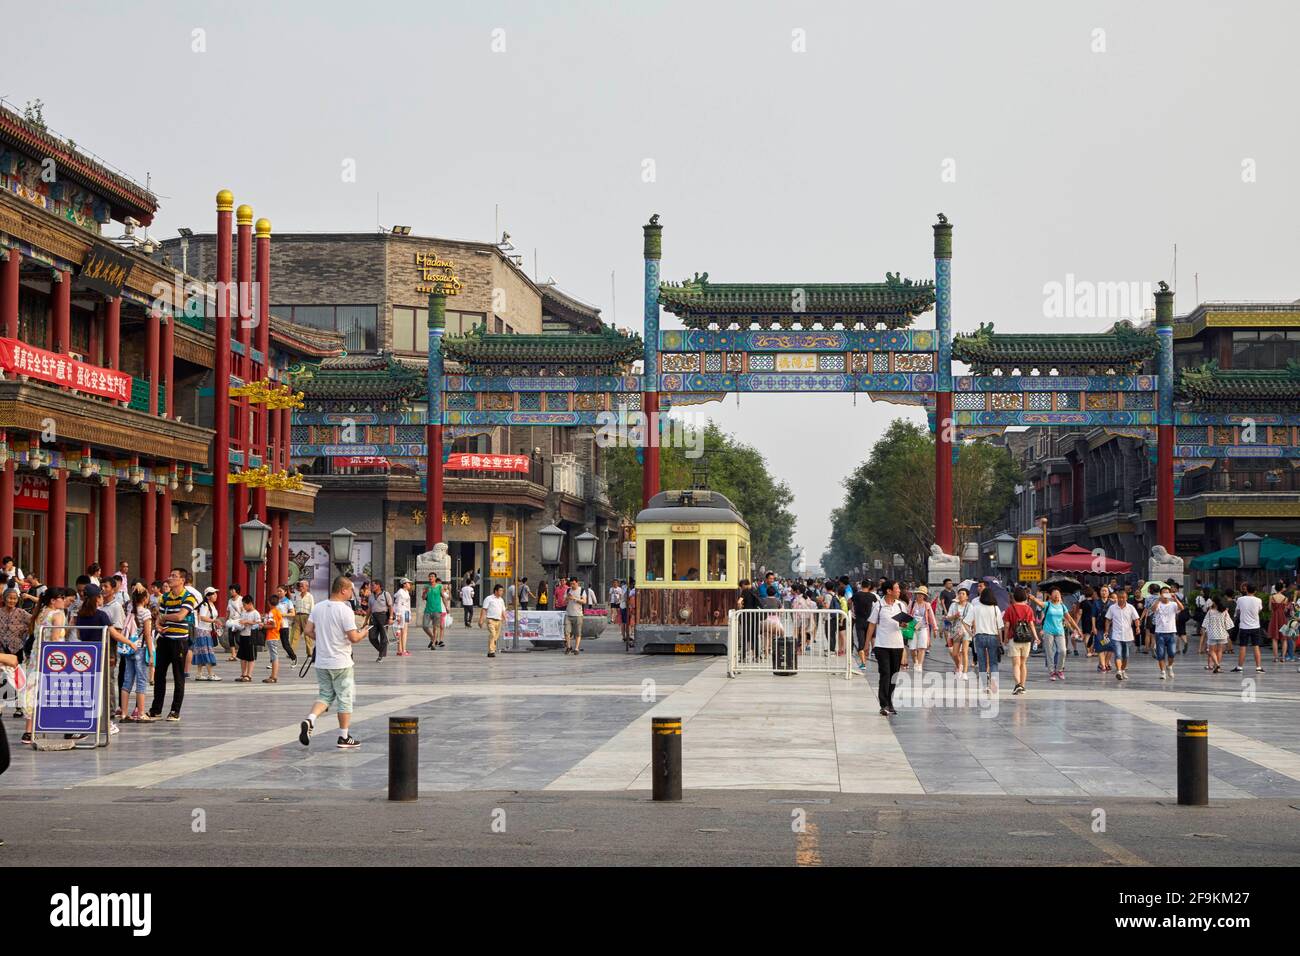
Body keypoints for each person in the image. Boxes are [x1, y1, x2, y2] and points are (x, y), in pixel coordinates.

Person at [298, 575, 369, 750]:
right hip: (341, 662)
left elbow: (307, 630)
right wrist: (364, 632)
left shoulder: (319, 607)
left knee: (325, 695)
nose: (351, 593)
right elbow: (353, 637)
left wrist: (322, 638)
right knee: (345, 699)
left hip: (322, 661)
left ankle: (311, 719)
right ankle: (344, 736)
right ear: (343, 590)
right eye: (350, 590)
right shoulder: (345, 610)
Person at [145, 570, 198, 721]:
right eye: (170, 575)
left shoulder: (188, 597)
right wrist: (158, 624)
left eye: (174, 576)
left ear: (182, 580)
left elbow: (181, 616)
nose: (170, 578)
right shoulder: (165, 597)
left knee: (178, 676)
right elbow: (158, 618)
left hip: (179, 641)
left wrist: (163, 617)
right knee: (159, 675)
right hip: (164, 639)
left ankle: (175, 710)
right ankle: (156, 710)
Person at [865, 580, 906, 717]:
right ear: (889, 591)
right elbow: (871, 625)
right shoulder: (879, 606)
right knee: (885, 674)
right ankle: (884, 704)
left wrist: (904, 625)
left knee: (894, 675)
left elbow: (903, 625)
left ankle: (889, 701)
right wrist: (866, 645)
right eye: (897, 588)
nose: (899, 590)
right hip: (882, 645)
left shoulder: (901, 605)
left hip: (897, 645)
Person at [118, 587, 153, 722]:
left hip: (129, 648)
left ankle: (124, 713)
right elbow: (148, 635)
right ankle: (141, 713)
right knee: (141, 681)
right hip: (140, 648)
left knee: (127, 680)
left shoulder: (130, 610)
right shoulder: (145, 613)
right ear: (144, 599)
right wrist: (151, 654)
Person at [1031, 587, 1073, 682]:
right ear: (1051, 595)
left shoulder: (1062, 606)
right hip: (1048, 631)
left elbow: (1069, 618)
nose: (1056, 595)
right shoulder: (1048, 604)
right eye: (1054, 593)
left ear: (1060, 595)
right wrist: (1033, 598)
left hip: (1059, 631)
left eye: (1058, 593)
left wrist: (1077, 629)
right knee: (1049, 652)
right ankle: (1052, 672)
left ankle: (1059, 670)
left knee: (1063, 651)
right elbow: (1040, 603)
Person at [1002, 587, 1039, 695]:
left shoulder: (1010, 609)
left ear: (1014, 596)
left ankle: (1017, 684)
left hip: (1014, 639)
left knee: (1016, 664)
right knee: (1023, 664)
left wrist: (1005, 639)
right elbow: (1031, 624)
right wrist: (1036, 637)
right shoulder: (1028, 609)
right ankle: (1022, 686)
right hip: (1026, 639)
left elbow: (1007, 625)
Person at [1143, 585, 1183, 680]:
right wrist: (1158, 600)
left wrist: (1176, 599)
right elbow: (1152, 610)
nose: (1165, 594)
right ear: (1160, 594)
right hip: (1160, 632)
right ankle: (1162, 671)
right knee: (1160, 654)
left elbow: (1181, 608)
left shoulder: (1173, 604)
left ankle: (1169, 666)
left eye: (1167, 592)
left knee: (1172, 653)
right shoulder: (1158, 604)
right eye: (1163, 592)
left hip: (1171, 632)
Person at [969, 585, 1004, 695]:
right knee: (993, 662)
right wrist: (1001, 641)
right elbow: (999, 627)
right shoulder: (995, 608)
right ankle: (993, 684)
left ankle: (985, 686)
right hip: (993, 637)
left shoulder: (975, 608)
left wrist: (972, 634)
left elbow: (966, 622)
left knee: (982, 662)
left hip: (979, 637)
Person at [1104, 587, 1141, 681]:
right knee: (1118, 654)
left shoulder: (1131, 607)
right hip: (1116, 635)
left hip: (1128, 635)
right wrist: (1106, 631)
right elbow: (1108, 620)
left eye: (1123, 597)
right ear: (1117, 597)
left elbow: (1136, 619)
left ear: (1126, 597)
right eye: (1119, 597)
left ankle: (1123, 670)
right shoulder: (1112, 608)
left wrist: (1137, 627)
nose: (1121, 599)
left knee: (1126, 655)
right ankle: (1119, 671)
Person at [1232, 582, 1265, 674]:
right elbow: (1259, 610)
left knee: (1243, 647)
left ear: (1246, 590)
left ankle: (1240, 667)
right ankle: (1258, 667)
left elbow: (1238, 611)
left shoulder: (1240, 600)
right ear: (1255, 591)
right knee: (1256, 646)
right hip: (1255, 626)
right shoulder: (1258, 600)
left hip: (1243, 626)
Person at [906, 585, 937, 675]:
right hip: (912, 628)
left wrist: (935, 628)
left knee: (922, 647)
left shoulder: (927, 605)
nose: (919, 595)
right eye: (918, 594)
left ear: (924, 596)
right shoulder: (912, 604)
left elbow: (931, 617)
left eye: (921, 594)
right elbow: (907, 614)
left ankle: (919, 664)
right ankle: (915, 661)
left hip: (923, 628)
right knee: (912, 648)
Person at [191, 587, 221, 682]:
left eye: (216, 593)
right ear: (208, 596)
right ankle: (210, 674)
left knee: (202, 652)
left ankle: (199, 674)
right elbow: (202, 617)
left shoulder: (211, 605)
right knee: (207, 652)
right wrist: (214, 621)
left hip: (205, 631)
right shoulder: (205, 605)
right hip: (203, 631)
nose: (215, 595)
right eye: (213, 594)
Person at [945, 586, 972, 680]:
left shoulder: (970, 606)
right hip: (956, 631)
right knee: (955, 653)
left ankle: (964, 672)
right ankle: (959, 666)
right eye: (959, 594)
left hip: (966, 632)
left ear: (967, 597)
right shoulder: (953, 605)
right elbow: (948, 618)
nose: (961, 595)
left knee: (964, 652)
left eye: (963, 594)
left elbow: (972, 619)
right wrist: (955, 616)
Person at [850, 579, 876, 672]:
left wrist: (852, 611)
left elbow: (850, 601)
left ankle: (863, 663)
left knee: (861, 641)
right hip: (869, 621)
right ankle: (866, 657)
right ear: (869, 586)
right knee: (867, 641)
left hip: (859, 621)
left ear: (861, 586)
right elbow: (876, 606)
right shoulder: (872, 596)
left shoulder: (856, 595)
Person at [1203, 594, 1233, 673]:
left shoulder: (1210, 612)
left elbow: (1205, 622)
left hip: (1212, 633)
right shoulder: (1225, 611)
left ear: (1214, 602)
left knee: (1211, 651)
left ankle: (1217, 664)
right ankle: (1218, 667)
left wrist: (1203, 629)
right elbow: (1229, 624)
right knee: (1219, 651)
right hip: (1222, 633)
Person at [235, 596, 261, 682]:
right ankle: (243, 674)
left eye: (244, 605)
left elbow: (259, 624)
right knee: (242, 656)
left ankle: (249, 675)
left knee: (250, 657)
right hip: (243, 635)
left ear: (250, 604)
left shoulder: (255, 613)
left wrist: (247, 622)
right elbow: (241, 621)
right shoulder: (244, 612)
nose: (244, 606)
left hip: (251, 636)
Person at [367, 581, 392, 663]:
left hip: (383, 616)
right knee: (372, 637)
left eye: (373, 585)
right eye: (371, 585)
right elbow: (369, 609)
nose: (372, 586)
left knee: (383, 637)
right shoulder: (371, 596)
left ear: (379, 586)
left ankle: (380, 656)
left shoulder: (386, 594)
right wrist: (365, 620)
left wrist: (391, 618)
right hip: (373, 617)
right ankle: (381, 651)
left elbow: (390, 606)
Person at [263, 594, 286, 683]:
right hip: (276, 636)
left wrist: (263, 626)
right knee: (274, 656)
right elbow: (281, 625)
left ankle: (273, 676)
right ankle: (273, 675)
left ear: (269, 603)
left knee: (274, 657)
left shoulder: (271, 612)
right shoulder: (278, 612)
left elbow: (273, 625)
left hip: (271, 636)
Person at [291, 579, 315, 658]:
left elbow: (312, 608)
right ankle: (292, 652)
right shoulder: (297, 596)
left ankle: (309, 652)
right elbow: (294, 607)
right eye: (299, 586)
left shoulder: (310, 596)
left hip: (306, 616)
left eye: (302, 586)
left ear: (307, 587)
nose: (300, 587)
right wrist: (293, 618)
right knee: (294, 635)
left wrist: (311, 620)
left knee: (307, 635)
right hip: (297, 616)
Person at [1268, 581, 1291, 664]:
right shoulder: (1285, 598)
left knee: (1274, 638)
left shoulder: (1272, 597)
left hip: (1274, 618)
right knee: (1284, 638)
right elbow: (1285, 610)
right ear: (1282, 589)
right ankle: (1283, 657)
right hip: (1283, 618)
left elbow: (1270, 608)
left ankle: (1275, 657)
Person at [482, 583, 506, 658]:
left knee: (495, 637)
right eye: (500, 590)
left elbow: (503, 610)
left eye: (502, 591)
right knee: (492, 634)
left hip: (499, 621)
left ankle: (492, 649)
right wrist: (481, 620)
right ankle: (491, 651)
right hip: (490, 620)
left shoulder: (501, 600)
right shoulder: (489, 598)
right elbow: (484, 609)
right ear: (496, 591)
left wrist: (505, 618)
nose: (502, 592)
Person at [562, 578, 585, 655]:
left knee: (578, 633)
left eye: (573, 584)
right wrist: (567, 598)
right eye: (571, 584)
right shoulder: (568, 590)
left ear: (577, 583)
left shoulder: (582, 590)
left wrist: (574, 598)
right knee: (566, 632)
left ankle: (576, 648)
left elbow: (584, 601)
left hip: (578, 615)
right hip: (568, 614)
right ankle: (568, 647)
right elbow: (564, 601)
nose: (572, 585)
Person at [423, 573, 445, 650]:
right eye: (430, 576)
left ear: (435, 578)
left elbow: (443, 596)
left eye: (432, 576)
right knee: (425, 626)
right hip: (428, 609)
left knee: (435, 627)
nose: (431, 578)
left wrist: (446, 607)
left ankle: (433, 644)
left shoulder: (439, 586)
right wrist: (425, 592)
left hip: (437, 609)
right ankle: (433, 638)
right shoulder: (426, 586)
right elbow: (423, 598)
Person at [224, 584, 243, 662]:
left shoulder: (241, 599)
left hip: (238, 621)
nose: (231, 591)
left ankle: (242, 653)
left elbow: (243, 610)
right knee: (231, 639)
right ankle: (233, 655)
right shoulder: (230, 600)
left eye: (232, 590)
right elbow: (228, 611)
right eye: (230, 590)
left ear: (237, 590)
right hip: (231, 621)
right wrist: (225, 620)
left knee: (238, 639)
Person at [393, 579, 412, 656]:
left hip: (406, 612)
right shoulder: (400, 593)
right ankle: (402, 650)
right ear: (404, 584)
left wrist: (409, 615)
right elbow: (397, 605)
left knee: (403, 631)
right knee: (402, 632)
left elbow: (408, 605)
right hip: (401, 613)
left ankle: (400, 649)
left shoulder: (406, 592)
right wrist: (398, 615)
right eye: (408, 583)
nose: (410, 585)